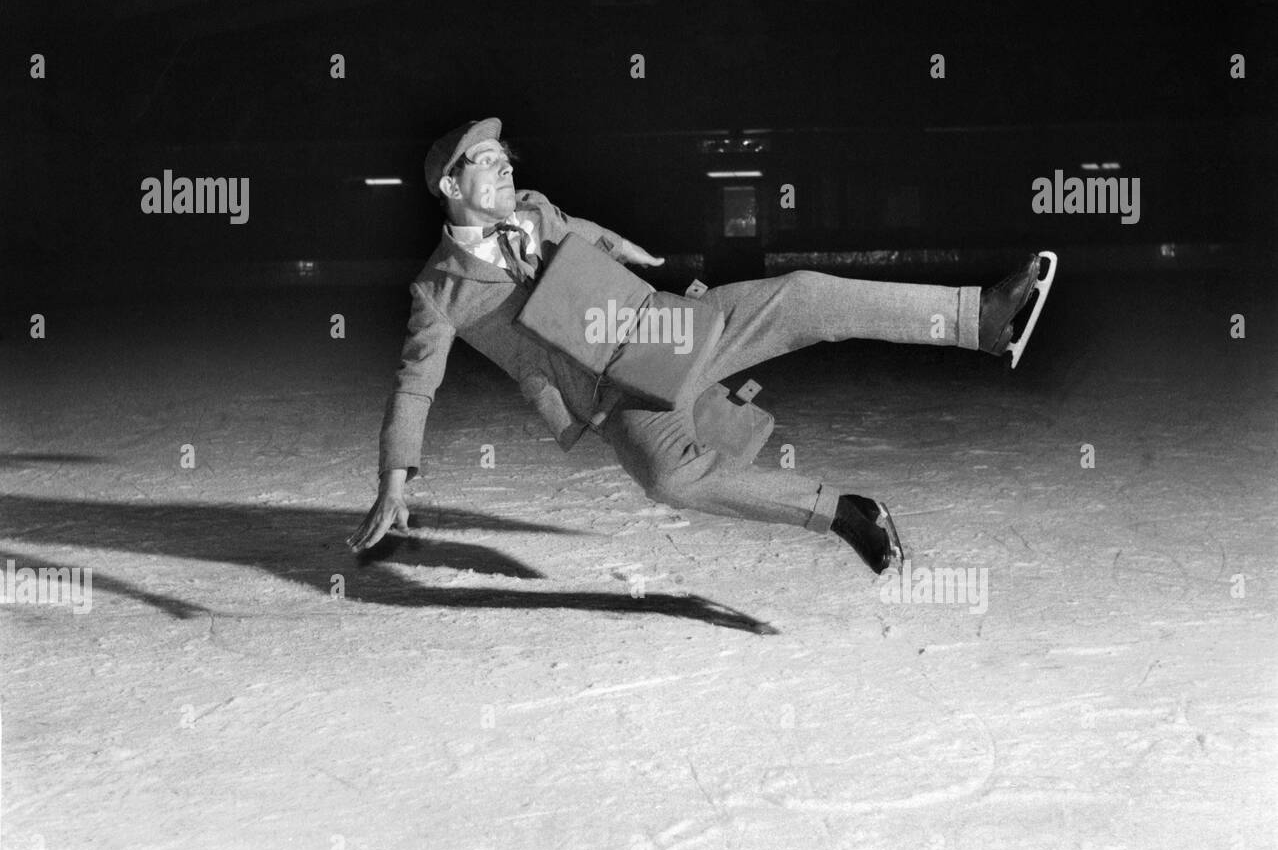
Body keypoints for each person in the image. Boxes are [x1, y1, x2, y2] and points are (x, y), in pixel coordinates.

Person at [347, 118, 1053, 576]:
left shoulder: (532, 206)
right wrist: (394, 479)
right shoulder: (437, 291)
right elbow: (415, 385)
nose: (503, 171)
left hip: (662, 328)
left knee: (799, 296)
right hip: (610, 394)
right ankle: (844, 512)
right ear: (448, 184)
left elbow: (576, 227)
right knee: (671, 481)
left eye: (506, 160)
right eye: (485, 163)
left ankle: (979, 319)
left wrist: (617, 243)